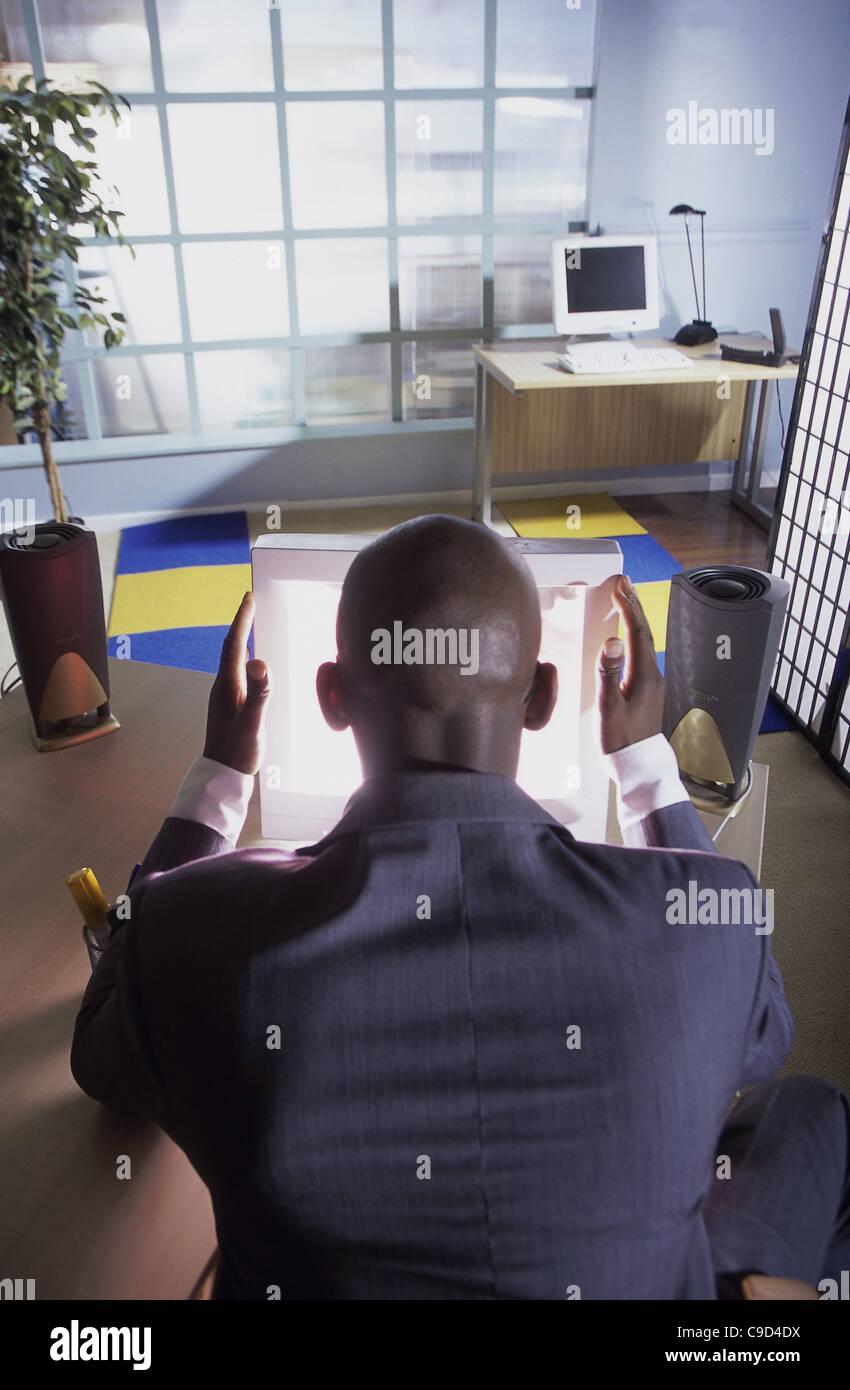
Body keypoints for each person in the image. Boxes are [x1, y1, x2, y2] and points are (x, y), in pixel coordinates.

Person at [71, 515, 849, 1300]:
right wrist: (647, 769)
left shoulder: (193, 930)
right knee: (811, 1115)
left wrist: (217, 780)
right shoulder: (704, 923)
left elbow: (100, 1055)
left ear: (331, 699)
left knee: (804, 1117)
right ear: (544, 695)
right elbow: (765, 1036)